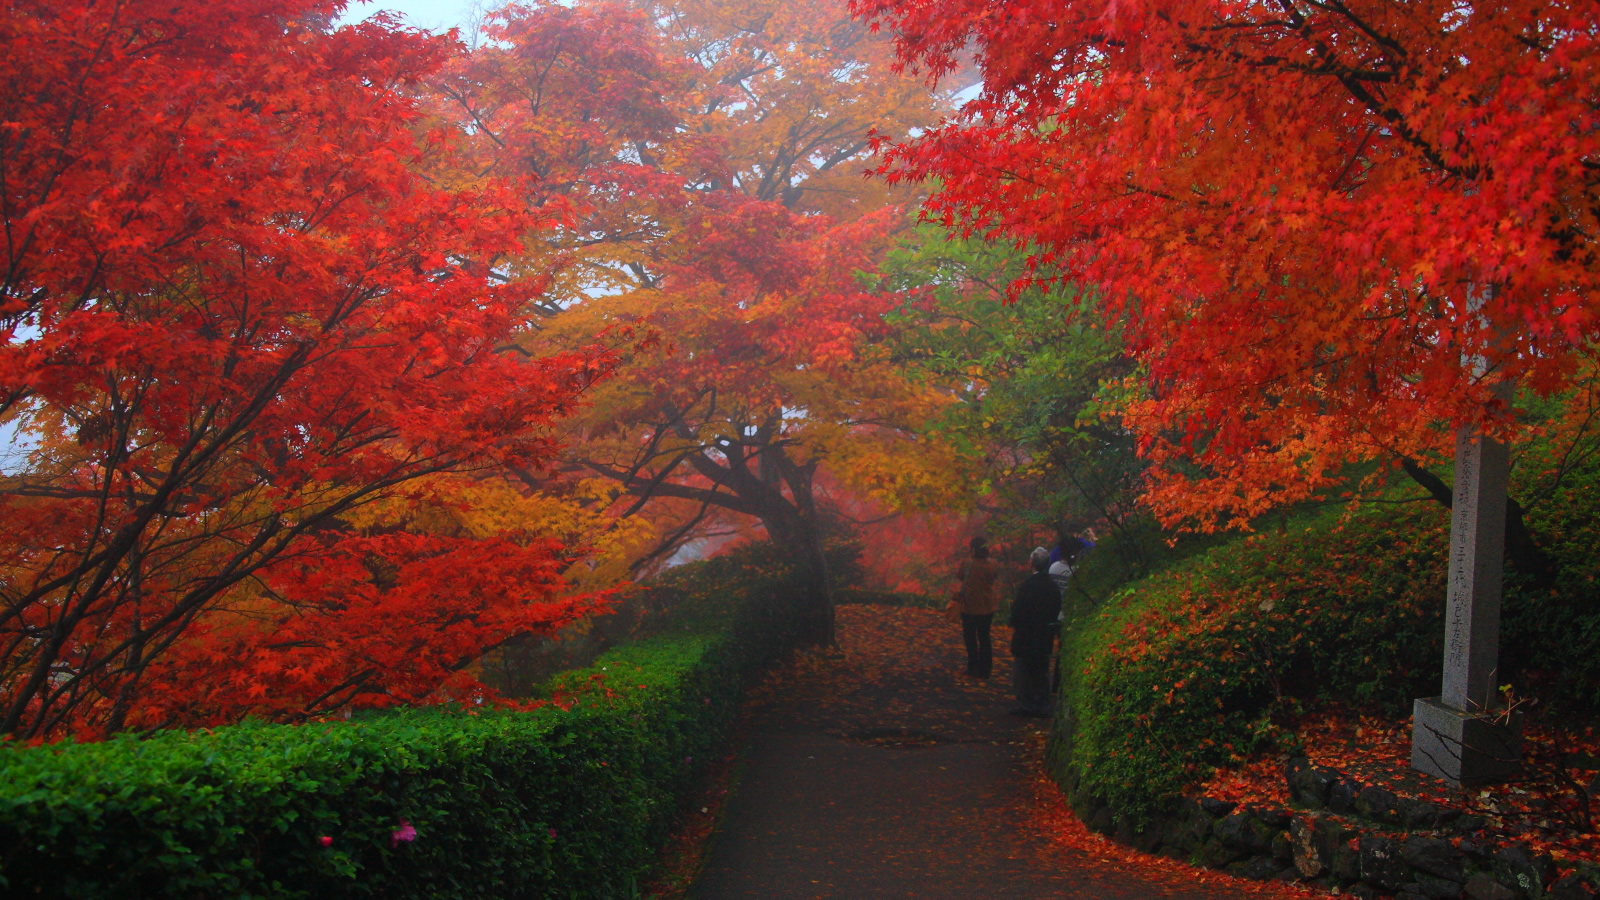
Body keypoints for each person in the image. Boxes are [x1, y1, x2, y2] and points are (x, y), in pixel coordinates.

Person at [1009, 546, 1062, 717]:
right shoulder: (1052, 586)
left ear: (1031, 563)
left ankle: (1027, 704)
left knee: (1023, 671)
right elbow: (1056, 608)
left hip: (1026, 634)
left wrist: (1015, 623)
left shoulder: (1028, 585)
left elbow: (1018, 611)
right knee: (1041, 670)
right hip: (1044, 634)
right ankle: (1043, 703)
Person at [953, 536, 999, 677]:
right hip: (987, 606)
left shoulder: (967, 563)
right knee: (984, 638)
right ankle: (985, 669)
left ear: (972, 549)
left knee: (970, 638)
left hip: (970, 606)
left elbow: (960, 576)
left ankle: (972, 666)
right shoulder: (993, 564)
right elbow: (994, 577)